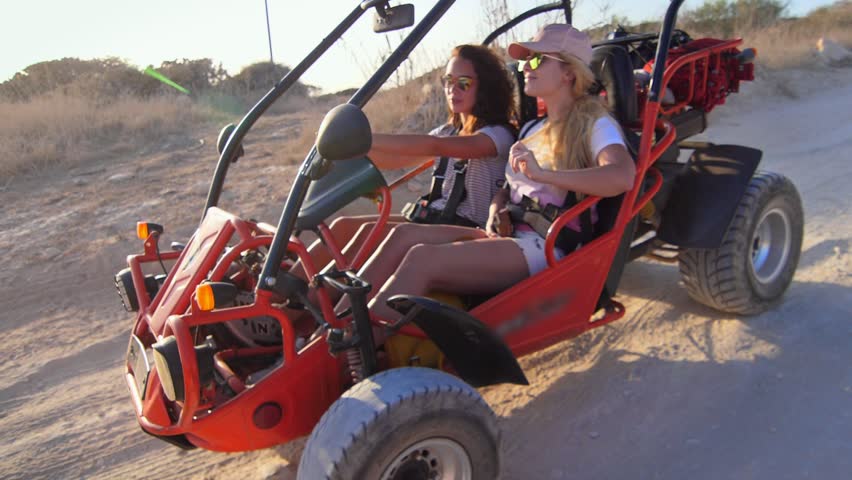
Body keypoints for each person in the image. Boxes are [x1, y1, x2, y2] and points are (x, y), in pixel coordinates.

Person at [348, 24, 636, 321]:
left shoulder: (595, 124)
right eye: (525, 60)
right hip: (508, 234)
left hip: (545, 245)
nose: (526, 67)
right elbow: (510, 188)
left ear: (569, 72)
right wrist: (497, 206)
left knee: (422, 260)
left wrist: (545, 175)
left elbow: (621, 176)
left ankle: (356, 346)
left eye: (537, 60)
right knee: (404, 235)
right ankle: (338, 322)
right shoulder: (532, 128)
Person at [300, 44, 516, 274]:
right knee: (344, 227)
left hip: (474, 228)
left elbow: (434, 146)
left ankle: (330, 301)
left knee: (398, 234)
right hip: (440, 219)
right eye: (448, 81)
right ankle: (283, 294)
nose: (453, 89)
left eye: (463, 83)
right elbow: (396, 159)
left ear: (485, 87)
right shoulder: (449, 130)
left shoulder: (497, 135)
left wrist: (361, 138)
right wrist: (344, 150)